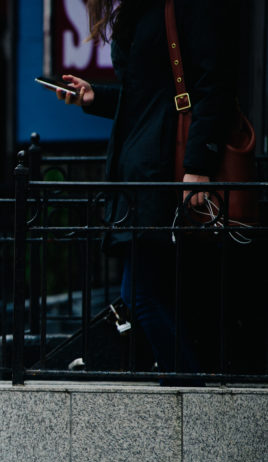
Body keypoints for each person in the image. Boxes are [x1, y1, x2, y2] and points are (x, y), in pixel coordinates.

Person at [53, 0, 235, 376]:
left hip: (165, 172)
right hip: (140, 175)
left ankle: (187, 386)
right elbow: (146, 98)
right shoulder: (138, 11)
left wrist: (198, 166)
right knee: (151, 294)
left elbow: (213, 87)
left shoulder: (182, 8)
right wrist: (95, 97)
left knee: (140, 295)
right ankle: (183, 381)